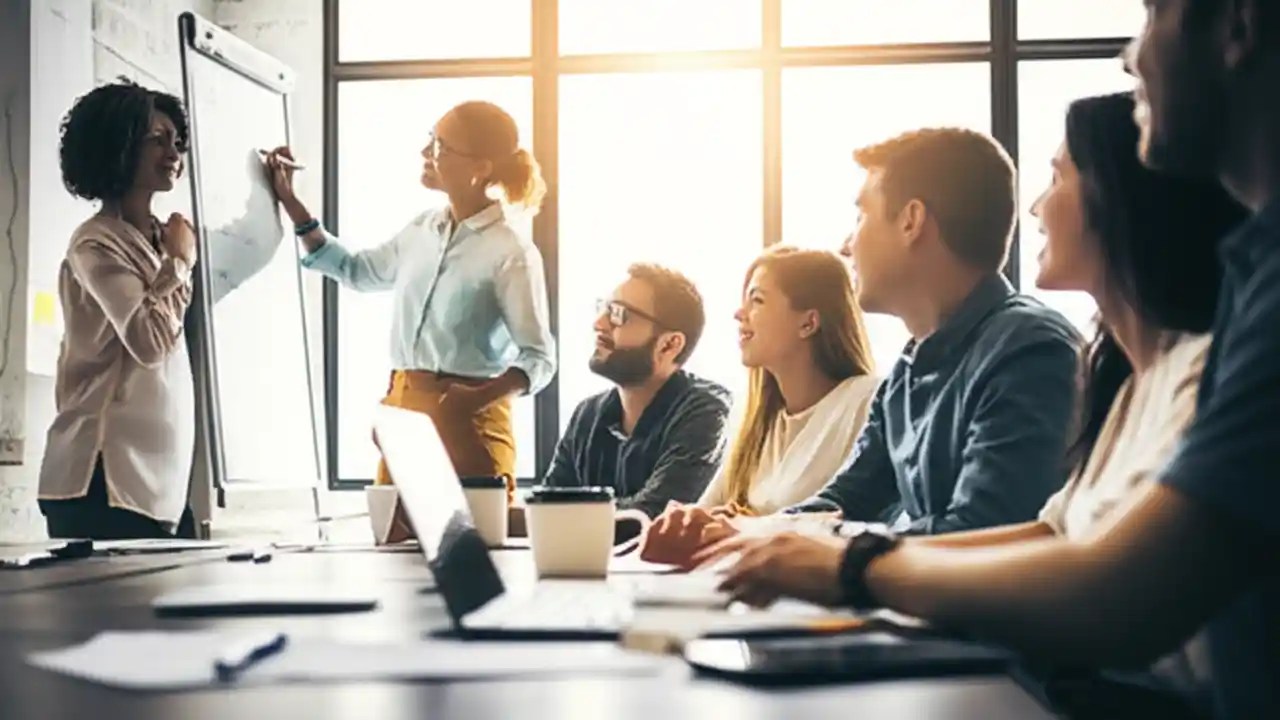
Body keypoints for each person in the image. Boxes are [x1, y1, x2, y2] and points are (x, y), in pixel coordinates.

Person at [697, 3, 1280, 714]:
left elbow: (1120, 594)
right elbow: (1051, 531)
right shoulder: (1130, 378)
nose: (1034, 208)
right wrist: (763, 537)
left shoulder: (1050, 347)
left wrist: (852, 566)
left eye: (1057, 177)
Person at [654, 128, 1081, 554]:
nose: (846, 245)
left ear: (911, 221)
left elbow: (980, 536)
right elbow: (847, 499)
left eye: (860, 216)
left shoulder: (1029, 351)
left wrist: (799, 542)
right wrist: (737, 531)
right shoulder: (905, 377)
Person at [267, 101, 555, 501]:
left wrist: (474, 400)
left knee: (479, 535)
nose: (425, 153)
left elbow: (539, 358)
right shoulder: (422, 230)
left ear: (480, 167)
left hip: (470, 418)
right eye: (431, 140)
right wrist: (290, 202)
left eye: (440, 146)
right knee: (396, 537)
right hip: (405, 414)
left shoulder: (512, 253)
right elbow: (354, 270)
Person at [640, 247, 879, 562]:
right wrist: (689, 522)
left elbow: (852, 517)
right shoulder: (754, 422)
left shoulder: (866, 400)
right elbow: (703, 513)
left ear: (808, 323)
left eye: (757, 300)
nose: (739, 313)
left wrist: (741, 524)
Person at [38, 81, 199, 539]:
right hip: (103, 477)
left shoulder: (164, 237)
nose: (173, 153)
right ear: (119, 147)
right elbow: (148, 342)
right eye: (157, 140)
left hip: (160, 485)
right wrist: (179, 263)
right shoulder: (96, 242)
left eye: (176, 141)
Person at [541, 264, 730, 520]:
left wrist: (568, 514)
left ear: (669, 345)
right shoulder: (588, 414)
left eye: (619, 314)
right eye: (604, 308)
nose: (599, 324)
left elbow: (652, 516)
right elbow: (545, 508)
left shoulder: (705, 412)